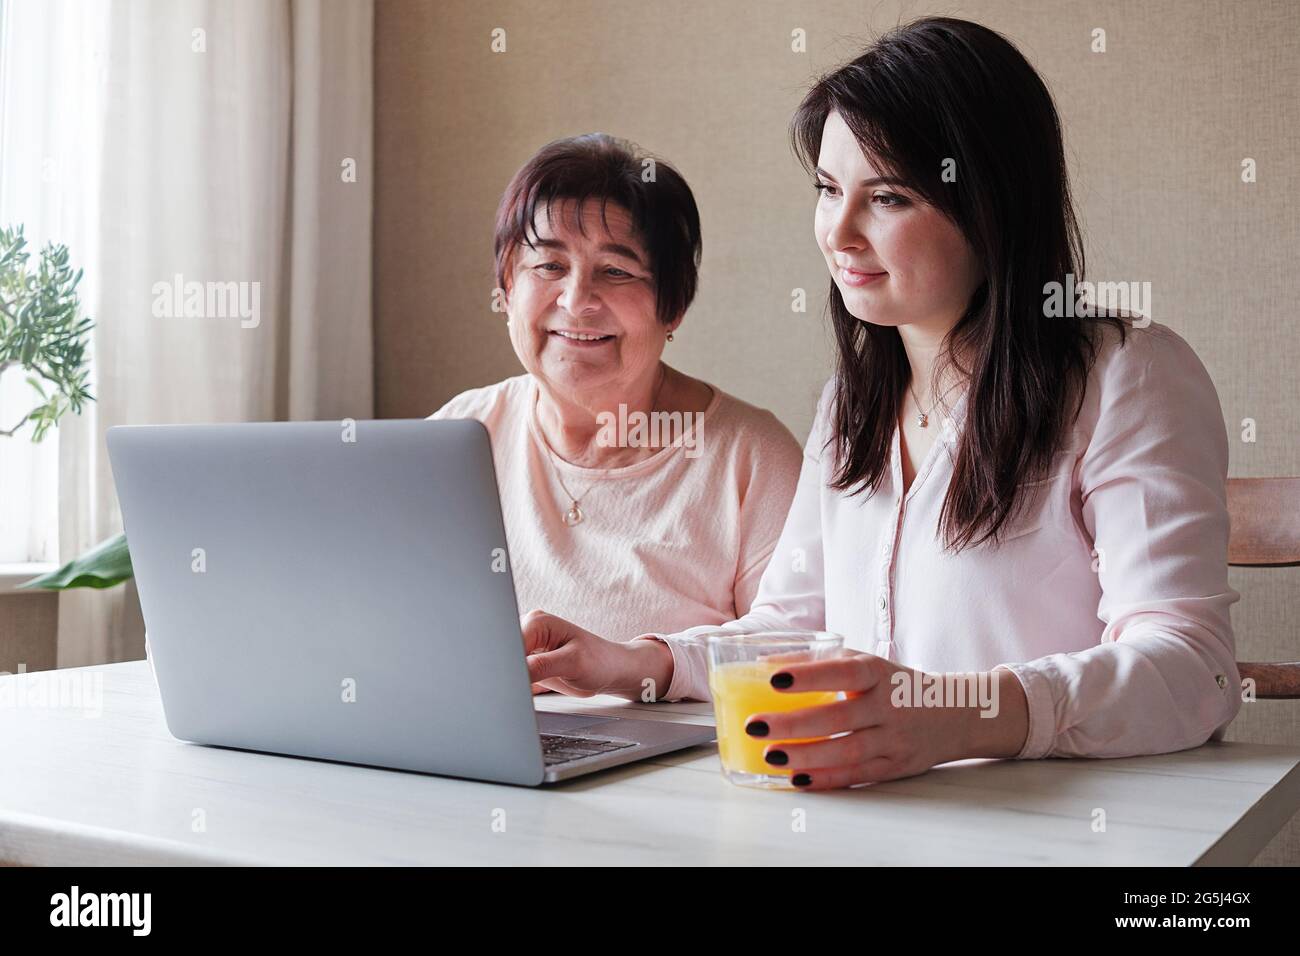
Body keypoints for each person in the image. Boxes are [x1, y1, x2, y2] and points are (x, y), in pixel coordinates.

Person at [517, 18, 1241, 787]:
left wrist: (950, 715)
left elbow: (1196, 671)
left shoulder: (1128, 376)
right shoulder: (851, 404)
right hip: (878, 821)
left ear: (989, 206)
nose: (841, 234)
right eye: (829, 191)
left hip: (1060, 827)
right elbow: (794, 626)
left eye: (888, 197)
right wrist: (637, 663)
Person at [430, 134, 802, 670]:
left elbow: (794, 644)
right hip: (480, 742)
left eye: (616, 271)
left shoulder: (750, 456)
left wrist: (641, 665)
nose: (577, 301)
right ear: (507, 287)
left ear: (673, 306)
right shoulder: (461, 433)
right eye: (548, 267)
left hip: (679, 752)